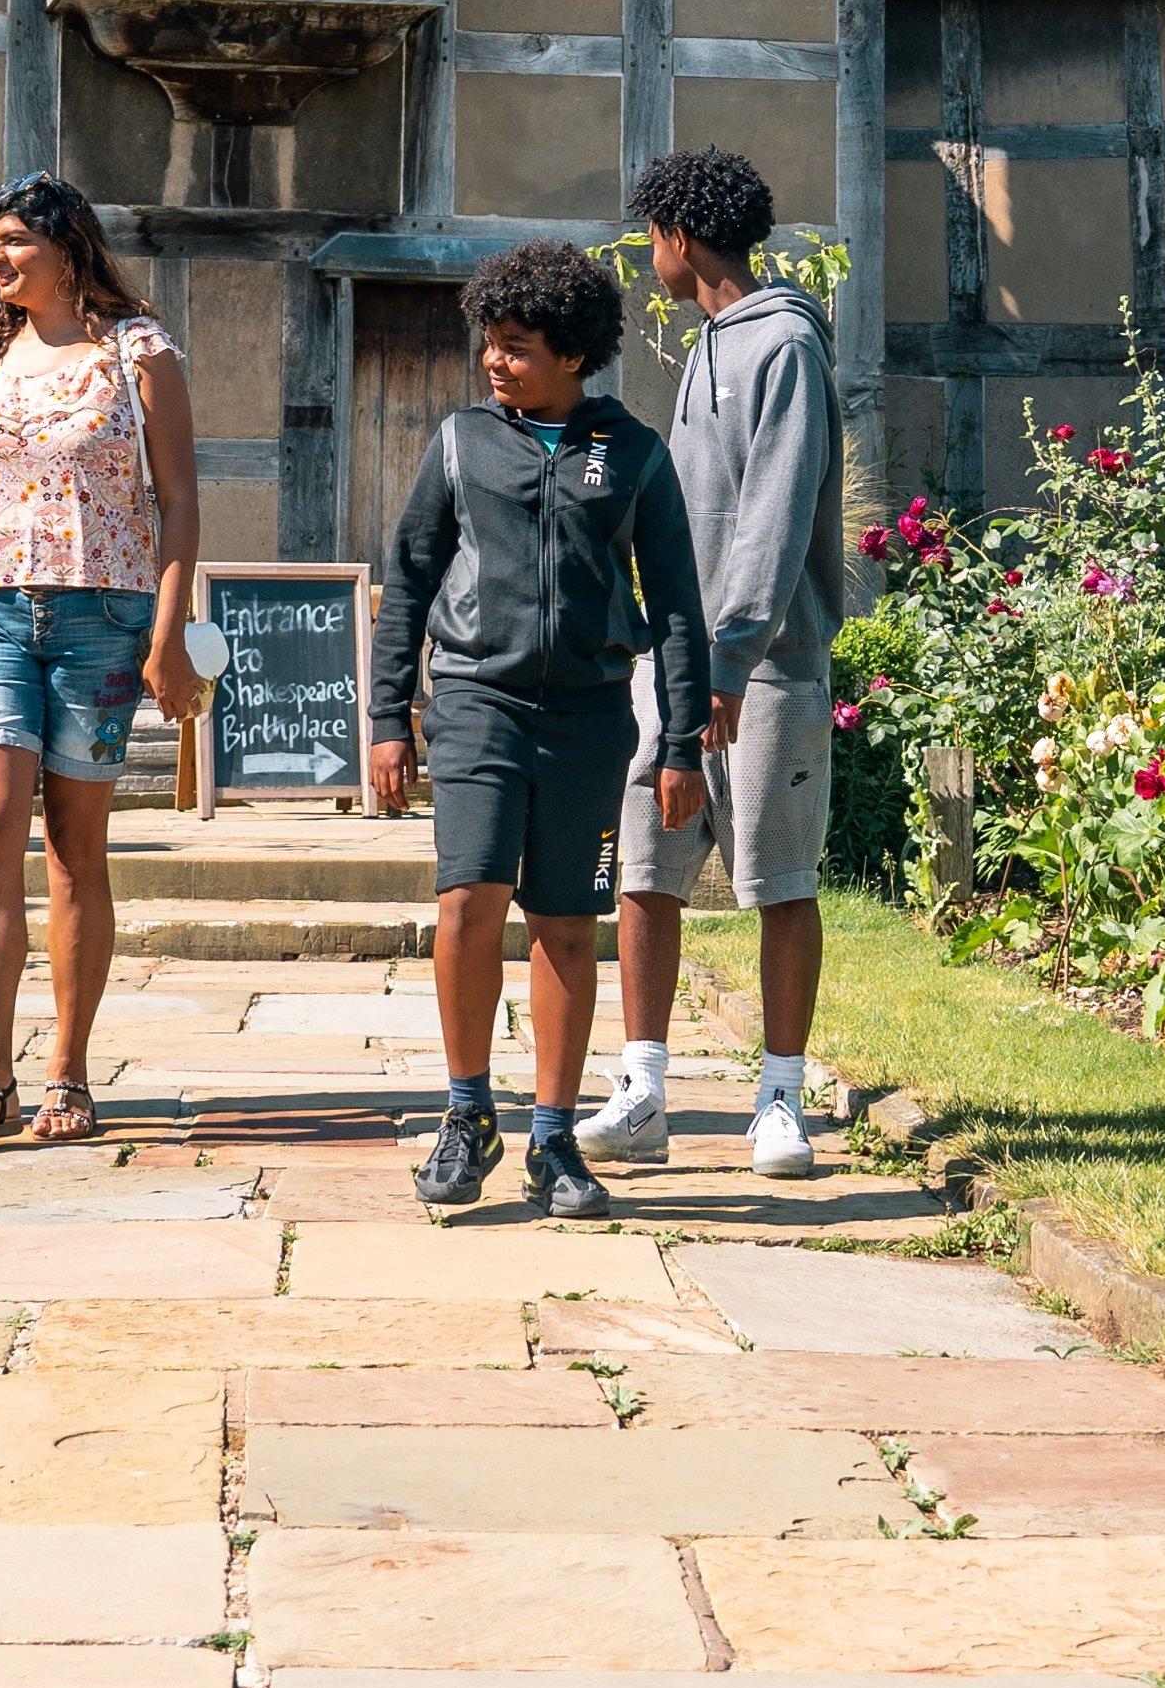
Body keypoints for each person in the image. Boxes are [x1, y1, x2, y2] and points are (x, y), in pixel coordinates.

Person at [364, 238, 708, 1222]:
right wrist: (391, 715)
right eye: (489, 341)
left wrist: (679, 741)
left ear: (571, 351)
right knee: (469, 897)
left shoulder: (630, 452)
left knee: (566, 920)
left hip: (593, 717)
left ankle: (553, 1136)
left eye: (515, 345)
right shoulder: (461, 442)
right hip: (476, 701)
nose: (493, 360)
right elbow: (411, 578)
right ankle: (467, 1112)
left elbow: (676, 606)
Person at [0, 176, 199, 1150]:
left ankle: (67, 1072)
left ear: (70, 248)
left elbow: (180, 503)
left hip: (100, 621)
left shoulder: (136, 352)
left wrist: (164, 632)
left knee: (73, 848)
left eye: (15, 240)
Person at [588, 147, 851, 1180]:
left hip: (762, 666)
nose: (647, 253)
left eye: (649, 236)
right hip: (678, 656)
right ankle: (642, 1087)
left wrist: (731, 659)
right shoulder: (709, 344)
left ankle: (779, 1098)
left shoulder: (781, 344)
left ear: (678, 239)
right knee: (647, 869)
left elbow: (775, 517)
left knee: (777, 877)